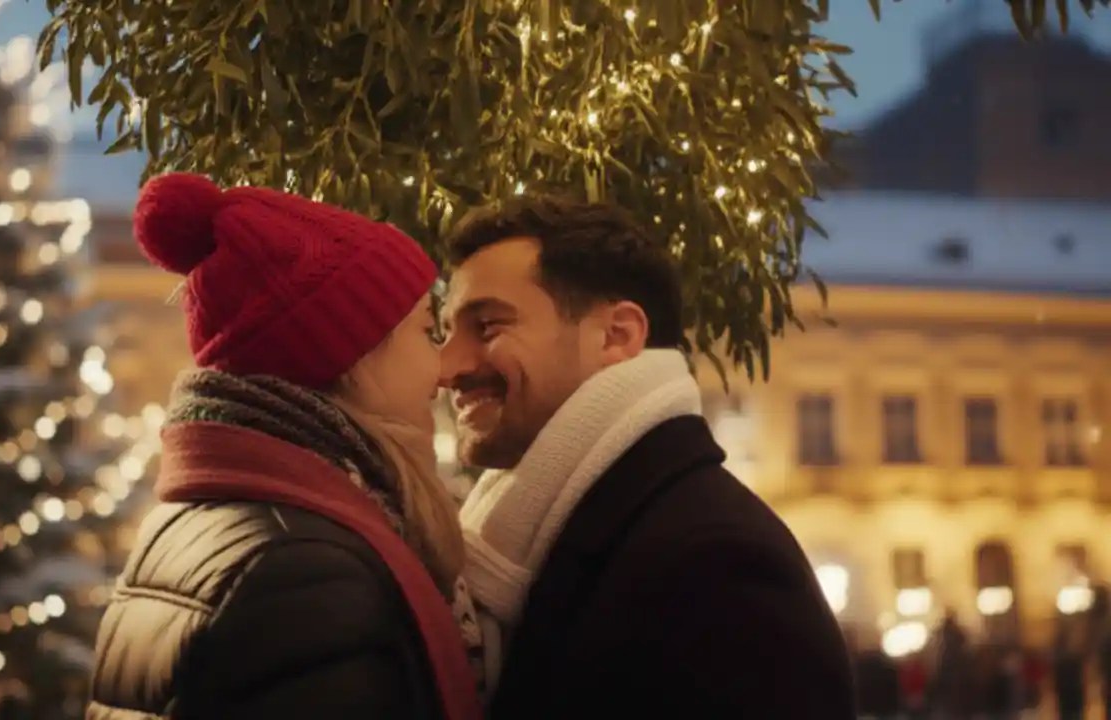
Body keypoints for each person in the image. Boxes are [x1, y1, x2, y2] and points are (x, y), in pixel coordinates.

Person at [438, 195, 856, 718]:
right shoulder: (552, 534)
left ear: (617, 336)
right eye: (445, 331)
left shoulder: (716, 564)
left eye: (489, 326)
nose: (446, 366)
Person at [86, 174, 481, 719]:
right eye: (424, 330)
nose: (442, 370)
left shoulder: (214, 516)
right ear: (353, 355)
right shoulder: (308, 571)